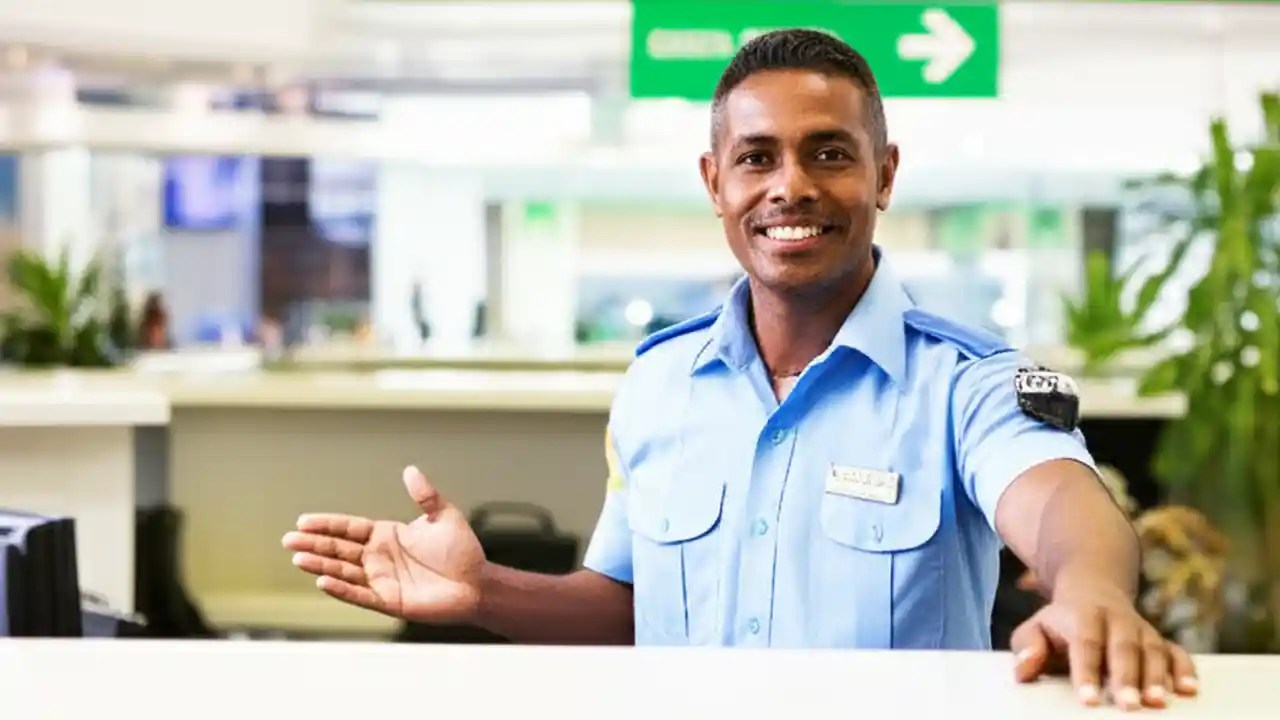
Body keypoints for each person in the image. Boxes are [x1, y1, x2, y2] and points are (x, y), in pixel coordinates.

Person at [282, 29, 1199, 711]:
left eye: (829, 154)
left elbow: (1059, 504)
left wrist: (1090, 593)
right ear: (715, 182)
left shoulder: (965, 383)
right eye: (756, 158)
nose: (789, 186)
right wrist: (485, 593)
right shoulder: (659, 386)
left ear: (884, 175)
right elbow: (630, 612)